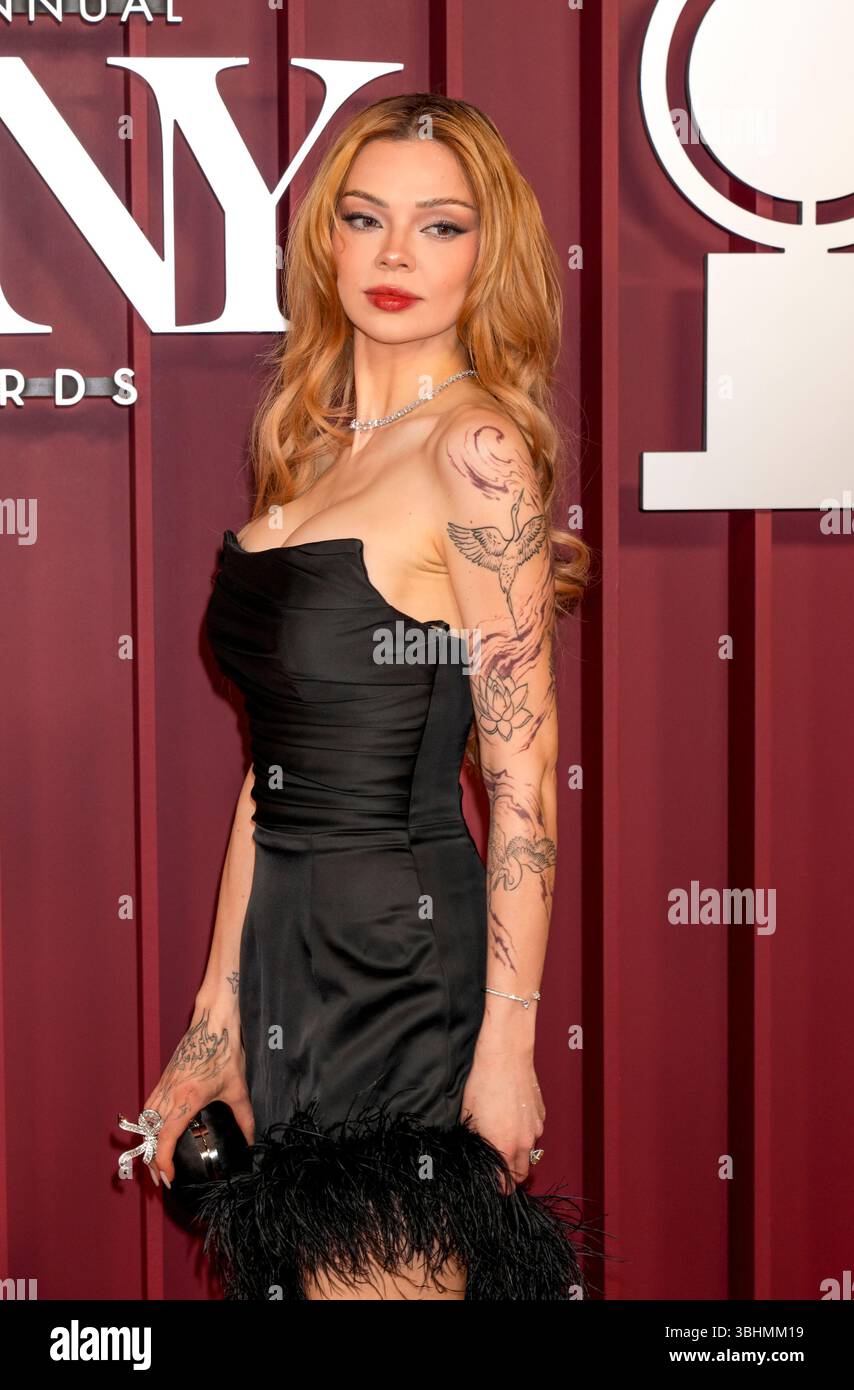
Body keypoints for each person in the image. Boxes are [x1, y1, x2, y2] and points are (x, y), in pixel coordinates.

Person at [136, 92, 596, 1300]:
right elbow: (270, 774)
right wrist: (215, 1017)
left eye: (440, 226)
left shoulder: (475, 452)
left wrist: (505, 1045)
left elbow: (520, 783)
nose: (395, 255)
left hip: (402, 962)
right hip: (288, 952)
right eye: (365, 217)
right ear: (323, 240)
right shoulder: (314, 453)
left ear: (486, 255)